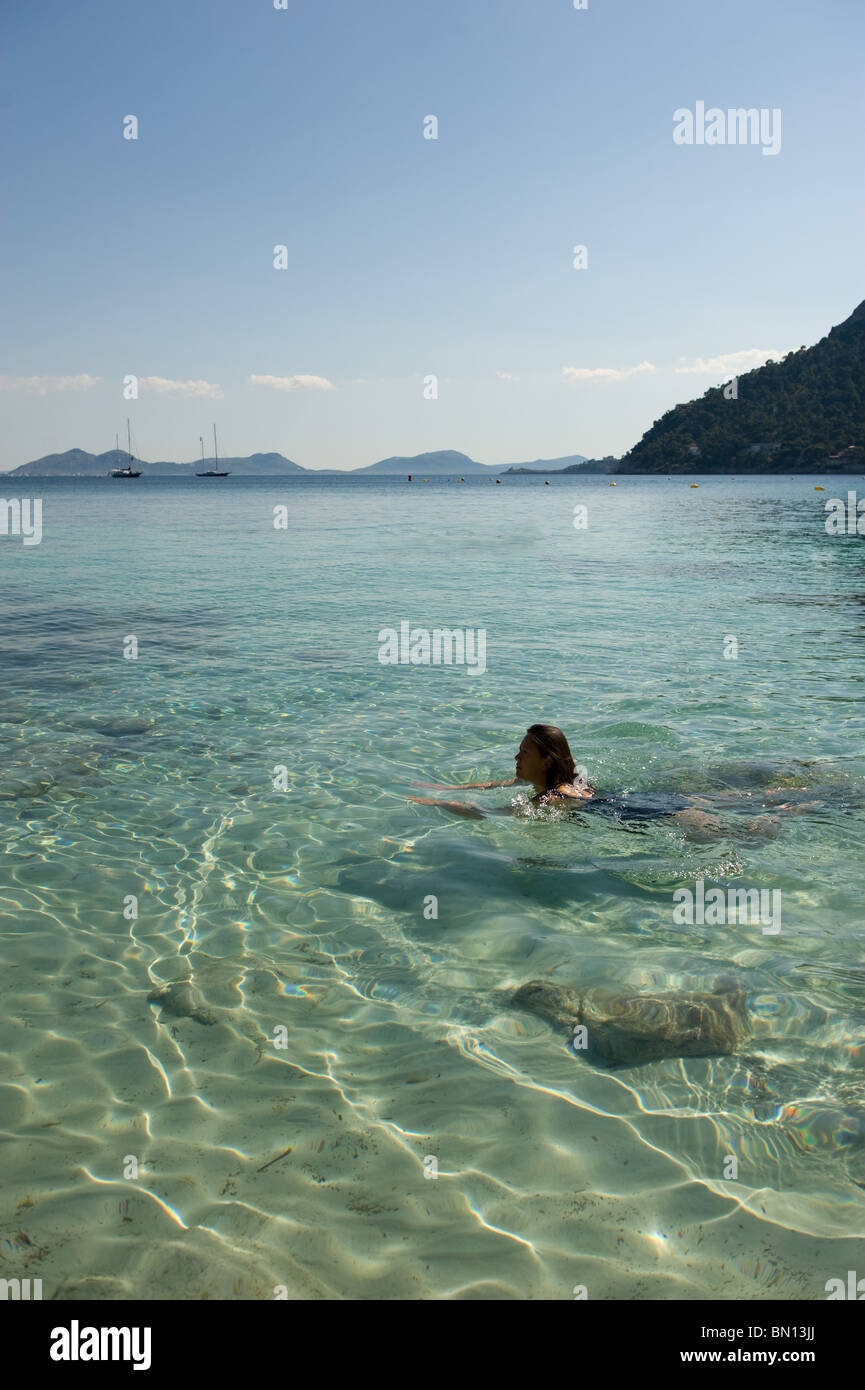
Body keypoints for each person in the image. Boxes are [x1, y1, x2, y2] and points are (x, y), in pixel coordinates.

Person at [409, 723, 801, 839]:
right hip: (654, 800)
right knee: (741, 805)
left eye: (522, 754)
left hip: (659, 816)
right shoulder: (567, 780)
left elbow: (488, 814)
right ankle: (787, 802)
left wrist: (437, 805)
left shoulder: (553, 800)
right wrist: (444, 788)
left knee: (749, 837)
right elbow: (495, 788)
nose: (515, 758)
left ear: (544, 762)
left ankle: (785, 811)